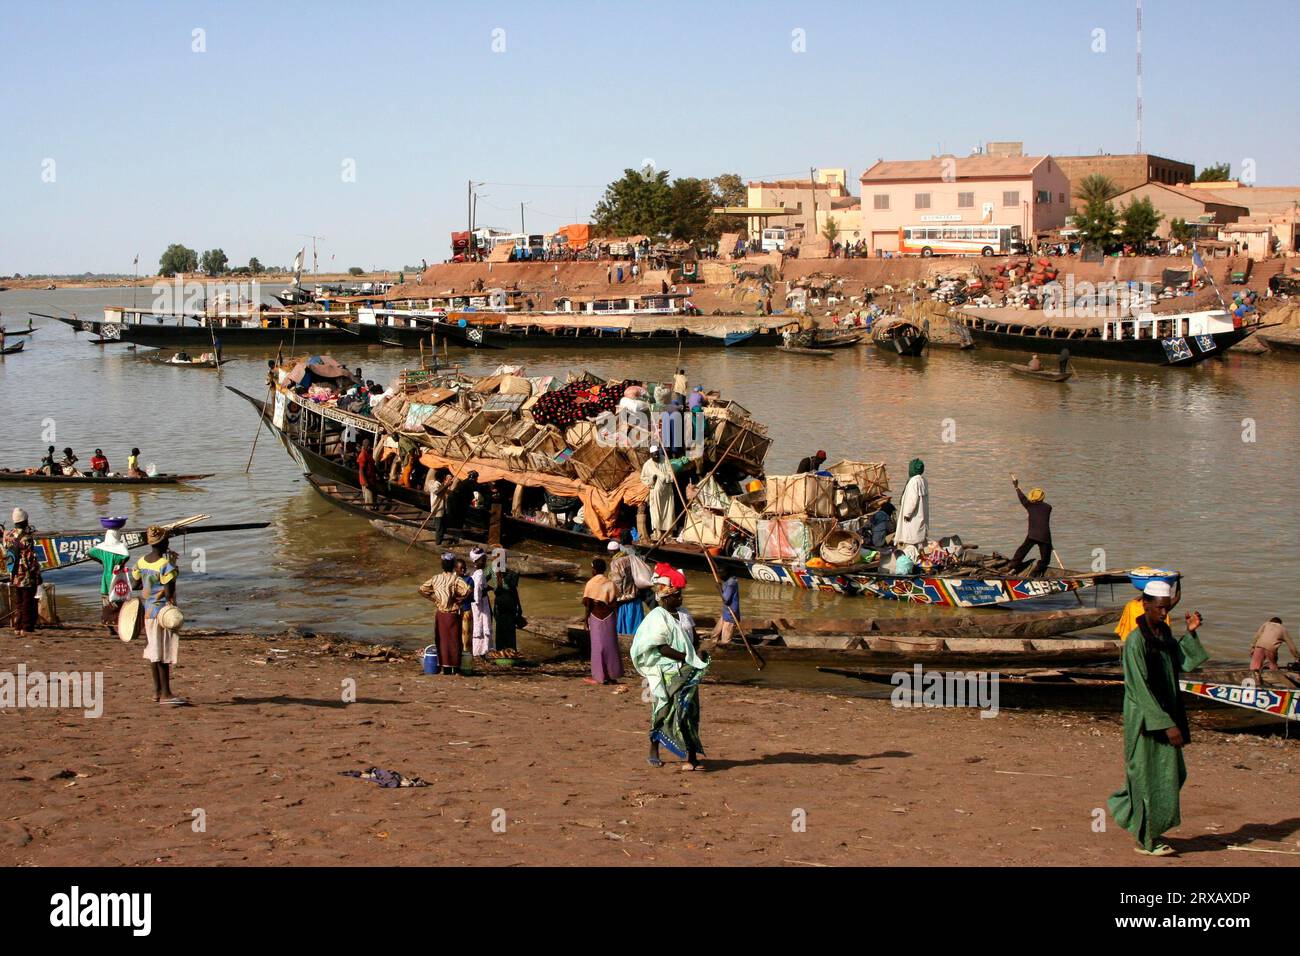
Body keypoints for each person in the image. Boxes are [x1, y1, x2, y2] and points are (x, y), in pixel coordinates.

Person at [1107, 581, 1207, 857]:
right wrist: (1166, 724)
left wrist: (1191, 633)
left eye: (1167, 609)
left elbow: (1181, 662)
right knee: (1146, 776)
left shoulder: (1163, 634)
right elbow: (1139, 688)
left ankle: (1143, 823)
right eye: (1160, 608)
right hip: (1145, 720)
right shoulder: (1136, 641)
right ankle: (1147, 839)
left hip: (1166, 712)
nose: (1164, 613)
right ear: (1146, 604)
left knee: (1170, 774)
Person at [631, 564, 709, 770]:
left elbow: (694, 639)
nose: (680, 598)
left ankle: (691, 756)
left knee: (689, 711)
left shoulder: (684, 615)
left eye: (680, 594)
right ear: (665, 597)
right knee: (663, 710)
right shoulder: (657, 618)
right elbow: (662, 648)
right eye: (676, 595)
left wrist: (697, 653)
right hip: (666, 671)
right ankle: (654, 750)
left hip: (687, 671)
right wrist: (688, 657)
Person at [131, 525, 185, 705]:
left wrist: (149, 585)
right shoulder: (165, 565)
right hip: (162, 612)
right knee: (162, 653)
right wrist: (174, 567)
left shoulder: (141, 561)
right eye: (167, 540)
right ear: (163, 543)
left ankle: (156, 691)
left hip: (148, 612)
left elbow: (135, 584)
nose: (168, 543)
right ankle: (166, 694)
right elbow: (169, 593)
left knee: (154, 652)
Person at [418, 553, 471, 675]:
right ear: (453, 566)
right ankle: (455, 668)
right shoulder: (455, 579)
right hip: (453, 615)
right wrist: (460, 600)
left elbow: (421, 590)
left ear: (442, 565)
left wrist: (434, 600)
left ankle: (445, 667)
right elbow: (468, 590)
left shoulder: (436, 578)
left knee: (442, 641)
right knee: (455, 641)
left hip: (441, 614)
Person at [583, 557, 623, 684]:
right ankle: (612, 675)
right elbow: (614, 601)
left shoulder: (590, 583)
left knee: (597, 646)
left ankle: (599, 676)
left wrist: (585, 619)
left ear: (594, 570)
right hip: (609, 616)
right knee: (611, 645)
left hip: (595, 616)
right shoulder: (610, 583)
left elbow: (587, 604)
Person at [3, 508, 42, 635]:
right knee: (28, 601)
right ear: (25, 521)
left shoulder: (9, 536)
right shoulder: (26, 538)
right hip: (26, 574)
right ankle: (27, 628)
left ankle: (17, 627)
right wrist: (37, 574)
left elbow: (6, 553)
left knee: (19, 602)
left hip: (14, 574)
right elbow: (30, 559)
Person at [88, 524, 130, 633]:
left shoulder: (102, 551)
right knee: (119, 601)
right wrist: (120, 563)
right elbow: (126, 556)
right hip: (117, 578)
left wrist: (101, 561)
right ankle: (119, 625)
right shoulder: (121, 551)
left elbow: (90, 552)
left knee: (106, 602)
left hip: (106, 579)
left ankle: (109, 625)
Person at [1008, 475, 1052, 576]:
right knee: (1045, 560)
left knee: (1022, 550)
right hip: (1045, 537)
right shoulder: (1048, 507)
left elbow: (1022, 498)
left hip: (1032, 535)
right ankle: (1034, 573)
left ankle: (1012, 565)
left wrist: (1016, 487)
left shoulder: (1029, 506)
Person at [639, 446, 684, 538]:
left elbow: (671, 472)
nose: (656, 456)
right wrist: (652, 479)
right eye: (654, 455)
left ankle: (669, 533)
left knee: (669, 512)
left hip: (667, 492)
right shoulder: (647, 465)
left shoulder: (664, 460)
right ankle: (658, 532)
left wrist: (667, 478)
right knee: (656, 513)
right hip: (656, 494)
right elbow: (643, 478)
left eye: (657, 454)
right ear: (651, 455)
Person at [608, 540, 647, 637]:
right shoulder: (630, 557)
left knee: (625, 625)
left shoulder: (615, 563)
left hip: (624, 599)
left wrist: (614, 597)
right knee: (637, 623)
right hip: (635, 596)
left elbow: (617, 582)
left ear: (612, 551)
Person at [895, 458, 929, 558]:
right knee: (918, 538)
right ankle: (918, 556)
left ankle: (910, 559)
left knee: (910, 541)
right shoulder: (923, 480)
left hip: (912, 518)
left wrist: (907, 514)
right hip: (920, 516)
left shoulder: (914, 481)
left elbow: (912, 500)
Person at [492, 559, 524, 652]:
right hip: (501, 611)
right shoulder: (496, 576)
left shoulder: (511, 576)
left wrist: (519, 607)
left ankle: (510, 652)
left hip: (510, 610)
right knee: (501, 636)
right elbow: (497, 593)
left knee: (510, 635)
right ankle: (501, 652)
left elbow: (514, 592)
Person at [469, 547, 493, 658]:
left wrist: (488, 588)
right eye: (482, 560)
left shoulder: (475, 572)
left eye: (484, 560)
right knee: (482, 624)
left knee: (478, 625)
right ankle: (482, 651)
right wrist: (479, 600)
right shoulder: (479, 573)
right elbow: (477, 590)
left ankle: (478, 651)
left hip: (477, 603)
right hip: (480, 604)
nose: (484, 562)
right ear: (476, 561)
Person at [709, 573, 740, 644]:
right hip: (726, 614)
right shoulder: (728, 581)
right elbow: (725, 595)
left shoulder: (731, 584)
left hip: (730, 615)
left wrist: (719, 589)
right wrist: (721, 587)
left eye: (720, 573)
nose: (719, 575)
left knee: (725, 641)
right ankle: (713, 645)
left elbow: (726, 600)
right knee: (714, 634)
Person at [454, 556, 474, 656]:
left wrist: (461, 598)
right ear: (455, 569)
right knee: (455, 635)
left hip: (466, 611)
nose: (463, 570)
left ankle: (466, 657)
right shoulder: (452, 580)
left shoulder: (469, 580)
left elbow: (470, 593)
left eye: (464, 568)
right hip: (455, 611)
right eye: (461, 568)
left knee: (466, 637)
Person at [424, 467, 449, 543]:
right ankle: (438, 542)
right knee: (439, 527)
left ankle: (440, 540)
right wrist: (446, 485)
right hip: (437, 509)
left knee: (442, 526)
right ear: (442, 477)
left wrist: (446, 486)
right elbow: (437, 492)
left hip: (442, 508)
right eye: (444, 477)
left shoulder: (440, 484)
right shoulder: (435, 484)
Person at [357, 438, 379, 507]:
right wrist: (365, 482)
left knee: (374, 496)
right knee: (369, 500)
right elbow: (362, 470)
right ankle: (369, 509)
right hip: (367, 481)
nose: (369, 447)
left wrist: (378, 473)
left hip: (372, 479)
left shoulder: (368, 453)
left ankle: (373, 507)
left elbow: (373, 465)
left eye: (370, 446)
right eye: (368, 446)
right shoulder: (362, 455)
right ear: (364, 446)